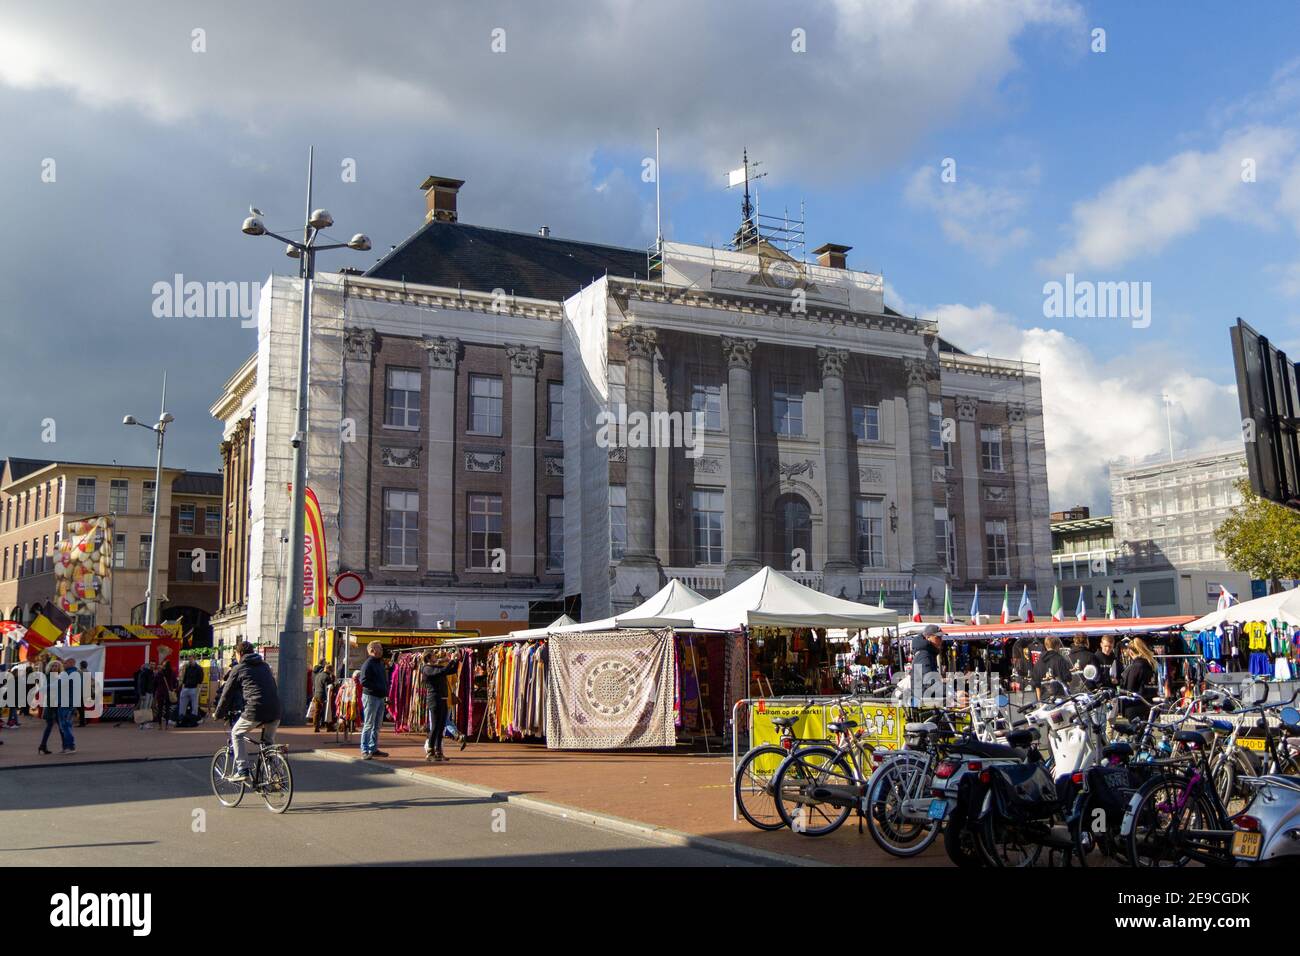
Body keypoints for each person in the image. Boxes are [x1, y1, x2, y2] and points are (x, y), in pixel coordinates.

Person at [213, 641, 282, 783]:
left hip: (255, 709)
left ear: (240, 654)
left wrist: (218, 713)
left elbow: (226, 694)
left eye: (236, 654)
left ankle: (242, 769)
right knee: (268, 742)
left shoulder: (239, 668)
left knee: (236, 733)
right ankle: (277, 775)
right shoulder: (265, 666)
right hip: (275, 710)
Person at [419, 649, 459, 762]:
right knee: (435, 726)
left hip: (443, 699)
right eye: (433, 656)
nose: (436, 657)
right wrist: (450, 660)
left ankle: (438, 751)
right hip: (434, 699)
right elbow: (442, 672)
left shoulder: (436, 667)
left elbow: (451, 670)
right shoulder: (426, 669)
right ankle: (430, 751)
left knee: (441, 727)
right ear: (428, 658)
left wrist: (455, 660)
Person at [359, 641, 389, 759]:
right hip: (371, 696)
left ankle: (373, 747)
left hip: (380, 697)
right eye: (379, 649)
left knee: (377, 725)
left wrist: (385, 692)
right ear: (372, 650)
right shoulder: (368, 664)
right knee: (369, 724)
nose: (381, 651)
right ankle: (365, 749)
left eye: (381, 648)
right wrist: (378, 688)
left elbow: (383, 679)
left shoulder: (380, 663)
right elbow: (364, 681)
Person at [38, 660, 76, 755]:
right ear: (49, 667)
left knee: (61, 727)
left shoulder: (62, 675)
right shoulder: (47, 676)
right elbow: (46, 690)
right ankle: (44, 745)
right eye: (53, 666)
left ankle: (65, 746)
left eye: (56, 666)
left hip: (59, 703)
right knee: (50, 726)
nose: (55, 668)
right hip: (51, 704)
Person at [1119, 637, 1158, 720]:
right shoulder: (1150, 665)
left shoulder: (1135, 667)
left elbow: (1130, 689)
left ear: (1130, 652)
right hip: (1149, 704)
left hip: (1135, 707)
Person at [909, 624, 945, 706]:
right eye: (937, 637)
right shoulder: (924, 654)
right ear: (927, 637)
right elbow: (929, 681)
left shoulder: (927, 653)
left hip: (923, 700)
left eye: (941, 637)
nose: (941, 640)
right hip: (923, 703)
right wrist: (952, 692)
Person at [1032, 636, 1073, 701]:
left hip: (1045, 700)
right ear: (1057, 645)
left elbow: (1037, 686)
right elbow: (1068, 679)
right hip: (1061, 698)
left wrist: (1040, 702)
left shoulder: (1038, 663)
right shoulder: (1061, 660)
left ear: (1046, 646)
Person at [310, 659, 335, 733]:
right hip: (324, 696)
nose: (332, 672)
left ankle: (316, 726)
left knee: (317, 712)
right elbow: (329, 687)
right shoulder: (327, 677)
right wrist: (334, 684)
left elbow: (314, 686)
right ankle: (328, 727)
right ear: (328, 670)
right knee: (326, 712)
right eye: (332, 670)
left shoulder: (317, 676)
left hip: (316, 694)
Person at [178, 657, 204, 724]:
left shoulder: (199, 668)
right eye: (189, 659)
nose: (189, 661)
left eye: (191, 659)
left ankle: (194, 719)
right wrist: (183, 687)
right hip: (186, 687)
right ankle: (181, 718)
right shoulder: (187, 667)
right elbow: (185, 677)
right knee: (182, 704)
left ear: (194, 660)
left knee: (194, 705)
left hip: (194, 688)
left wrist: (198, 689)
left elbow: (200, 679)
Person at [153, 661, 177, 729]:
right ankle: (166, 725)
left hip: (160, 693)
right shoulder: (172, 673)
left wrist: (155, 691)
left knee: (160, 709)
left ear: (164, 666)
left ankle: (160, 725)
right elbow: (175, 682)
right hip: (168, 693)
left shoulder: (160, 673)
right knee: (167, 709)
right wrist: (173, 689)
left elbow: (155, 683)